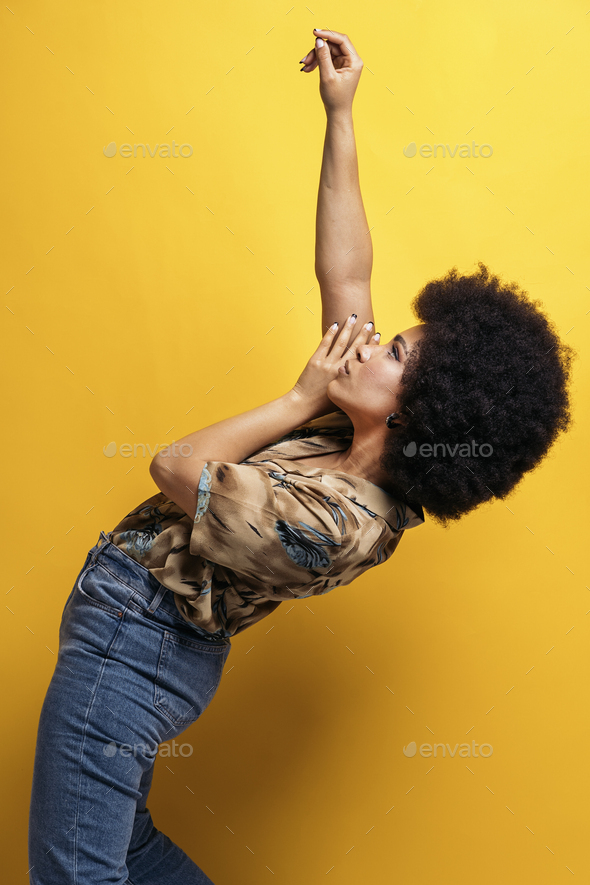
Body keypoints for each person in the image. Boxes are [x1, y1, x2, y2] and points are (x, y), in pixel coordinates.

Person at [27, 28, 573, 885]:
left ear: (416, 415)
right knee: (123, 853)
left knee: (76, 873)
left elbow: (175, 467)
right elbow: (347, 272)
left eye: (393, 353)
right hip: (124, 638)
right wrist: (342, 113)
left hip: (130, 653)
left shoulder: (340, 521)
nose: (367, 344)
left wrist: (295, 393)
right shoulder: (350, 439)